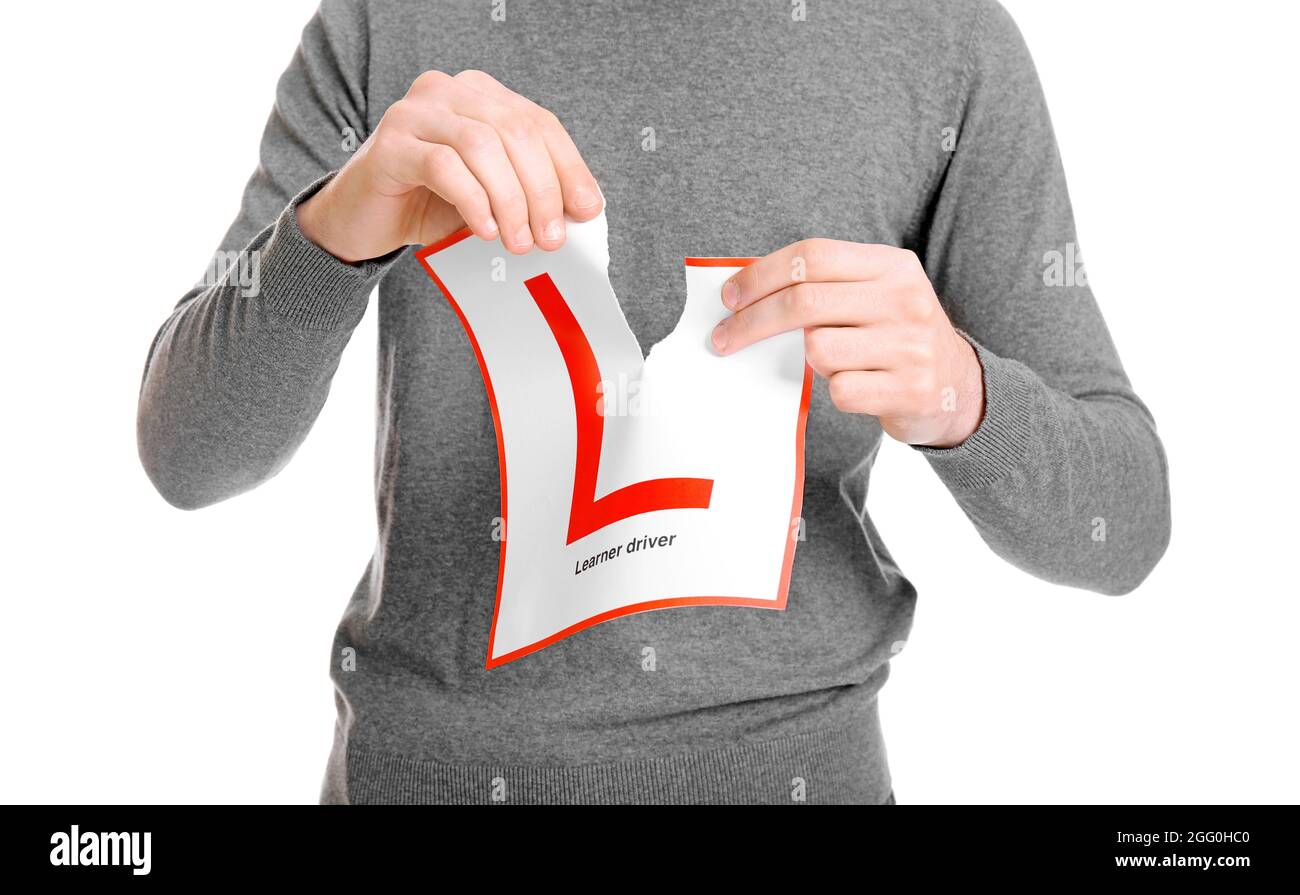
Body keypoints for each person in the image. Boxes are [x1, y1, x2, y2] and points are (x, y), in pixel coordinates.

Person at [137, 0, 1170, 804]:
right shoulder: (388, 25)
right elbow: (190, 454)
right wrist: (330, 235)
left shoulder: (944, 43)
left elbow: (1121, 526)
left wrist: (965, 394)